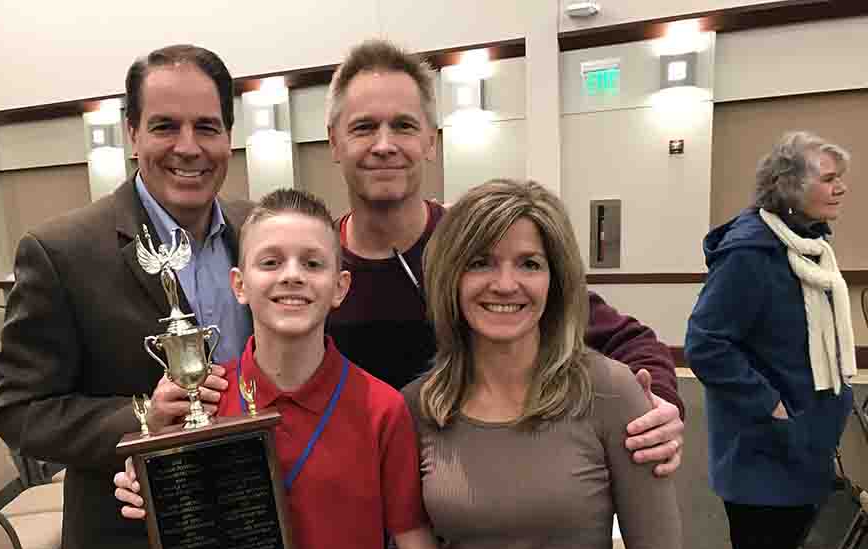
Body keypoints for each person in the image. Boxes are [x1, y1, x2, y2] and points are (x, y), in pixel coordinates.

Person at [201, 39, 686, 476]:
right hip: (353, 507)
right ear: (334, 141)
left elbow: (626, 339)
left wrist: (660, 402)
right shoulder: (309, 271)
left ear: (430, 140)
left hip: (474, 502)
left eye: (404, 127)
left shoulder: (480, 252)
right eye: (364, 127)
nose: (385, 145)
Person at [0, 44, 254, 549]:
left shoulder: (262, 237)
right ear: (131, 132)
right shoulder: (62, 250)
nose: (188, 148)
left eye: (207, 126)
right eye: (165, 125)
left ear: (230, 134)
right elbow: (19, 408)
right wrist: (142, 420)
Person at [115, 188, 441, 549]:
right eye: (271, 261)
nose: (292, 277)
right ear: (240, 284)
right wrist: (154, 497)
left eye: (312, 263)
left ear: (339, 288)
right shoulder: (202, 408)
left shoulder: (382, 409)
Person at [398, 179, 685, 549]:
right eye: (481, 263)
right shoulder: (418, 407)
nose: (505, 284)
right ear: (452, 277)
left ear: (555, 282)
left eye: (528, 263)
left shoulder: (609, 393)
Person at [685, 131, 853, 549]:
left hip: (805, 435)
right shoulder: (751, 255)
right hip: (765, 442)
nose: (841, 188)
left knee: (781, 542)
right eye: (828, 178)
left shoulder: (809, 245)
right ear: (788, 186)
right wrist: (770, 405)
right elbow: (706, 344)